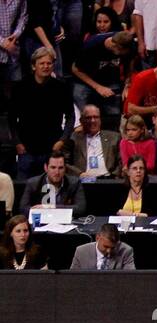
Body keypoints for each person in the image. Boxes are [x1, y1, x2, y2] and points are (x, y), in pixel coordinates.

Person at [11, 47, 75, 180]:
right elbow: (11, 118)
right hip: (26, 149)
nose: (46, 66)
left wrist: (62, 140)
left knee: (50, 190)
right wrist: (17, 142)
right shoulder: (20, 87)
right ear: (34, 66)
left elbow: (70, 116)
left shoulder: (61, 87)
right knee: (24, 191)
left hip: (52, 149)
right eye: (42, 63)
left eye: (49, 63)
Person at [18, 151, 86, 215]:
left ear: (65, 168)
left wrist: (51, 207)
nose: (57, 172)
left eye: (61, 168)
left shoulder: (74, 183)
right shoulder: (33, 183)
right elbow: (23, 208)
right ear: (46, 168)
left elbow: (80, 208)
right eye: (53, 167)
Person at [68, 104, 121, 179]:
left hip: (108, 179)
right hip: (83, 181)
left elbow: (121, 161)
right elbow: (64, 163)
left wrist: (115, 175)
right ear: (81, 120)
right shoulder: (74, 138)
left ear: (100, 119)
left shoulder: (114, 137)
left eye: (96, 117)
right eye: (88, 118)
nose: (92, 121)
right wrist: (79, 174)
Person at [69, 223, 135, 270]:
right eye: (106, 246)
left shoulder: (126, 251)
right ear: (97, 238)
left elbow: (130, 278)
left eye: (113, 248)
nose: (109, 251)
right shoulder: (81, 251)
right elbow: (72, 277)